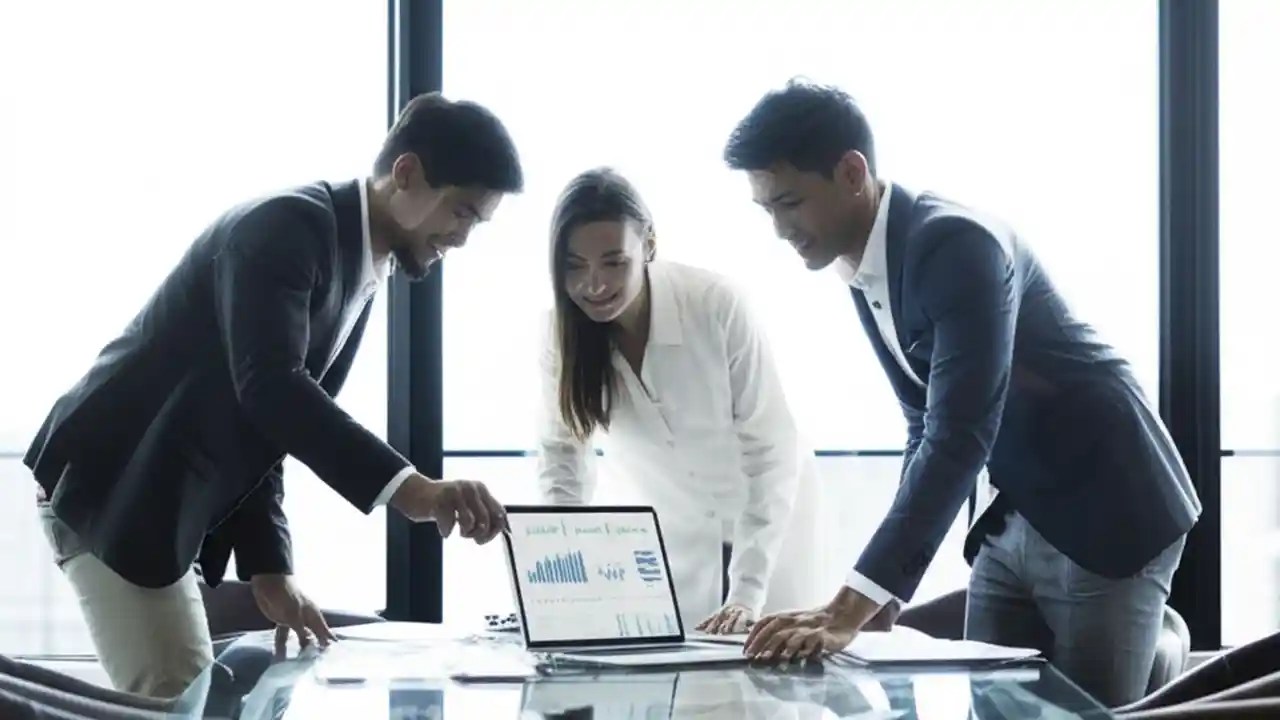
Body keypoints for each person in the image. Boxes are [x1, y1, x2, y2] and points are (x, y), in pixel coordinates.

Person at [23, 92, 523, 698]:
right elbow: (270, 389)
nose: (463, 238)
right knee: (176, 699)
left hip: (155, 498)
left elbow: (267, 426)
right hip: (114, 490)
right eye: (462, 212)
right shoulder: (286, 229)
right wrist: (412, 490)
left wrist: (270, 569)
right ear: (407, 174)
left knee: (188, 700)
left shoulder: (357, 261)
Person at [723, 80, 1201, 707]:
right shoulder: (864, 264)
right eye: (767, 210)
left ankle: (1157, 655)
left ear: (850, 172)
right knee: (996, 706)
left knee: (1084, 710)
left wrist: (851, 602)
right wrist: (881, 593)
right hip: (1015, 513)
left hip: (1107, 505)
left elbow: (959, 431)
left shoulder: (954, 244)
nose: (782, 229)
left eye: (790, 203)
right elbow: (922, 426)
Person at [535, 167, 828, 633]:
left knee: (773, 685)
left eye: (614, 262)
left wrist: (747, 591)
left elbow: (769, 450)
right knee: (683, 693)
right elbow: (563, 462)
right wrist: (560, 579)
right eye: (575, 266)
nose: (594, 285)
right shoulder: (561, 334)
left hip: (772, 531)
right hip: (673, 547)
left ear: (648, 244)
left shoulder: (716, 305)